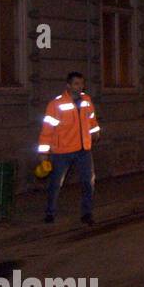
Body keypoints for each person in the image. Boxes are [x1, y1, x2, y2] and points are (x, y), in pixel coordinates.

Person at [37, 71, 100, 226]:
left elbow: (91, 119)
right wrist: (44, 153)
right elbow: (47, 130)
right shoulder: (55, 104)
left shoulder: (86, 100)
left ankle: (87, 214)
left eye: (82, 83)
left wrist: (95, 131)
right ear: (68, 85)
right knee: (55, 183)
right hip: (62, 151)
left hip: (83, 149)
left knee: (88, 182)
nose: (80, 87)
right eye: (76, 84)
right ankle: (50, 213)